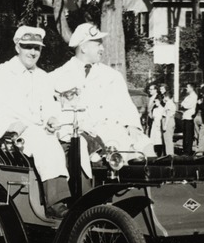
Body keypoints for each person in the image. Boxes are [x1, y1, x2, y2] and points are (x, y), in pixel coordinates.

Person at [0, 25, 70, 218]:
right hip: (15, 137)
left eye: (37, 48)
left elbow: (51, 106)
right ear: (17, 47)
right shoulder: (1, 74)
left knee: (77, 140)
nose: (33, 52)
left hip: (40, 132)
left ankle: (80, 198)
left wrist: (53, 117)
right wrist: (7, 126)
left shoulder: (43, 77)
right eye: (28, 47)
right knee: (45, 142)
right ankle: (55, 202)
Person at [50, 23, 154, 158]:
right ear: (84, 47)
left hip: (114, 131)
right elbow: (52, 113)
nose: (103, 48)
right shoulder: (57, 76)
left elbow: (126, 105)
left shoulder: (112, 76)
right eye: (98, 44)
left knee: (146, 147)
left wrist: (132, 125)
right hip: (81, 136)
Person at [151, 85, 176, 156]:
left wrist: (165, 125)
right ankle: (169, 154)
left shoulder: (169, 104)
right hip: (169, 120)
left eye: (164, 97)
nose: (164, 98)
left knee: (168, 139)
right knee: (167, 139)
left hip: (168, 121)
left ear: (167, 97)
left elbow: (168, 115)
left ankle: (170, 154)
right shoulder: (170, 103)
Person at [180, 82, 198, 155]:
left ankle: (188, 151)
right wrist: (184, 105)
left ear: (191, 88)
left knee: (188, 136)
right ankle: (185, 150)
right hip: (185, 117)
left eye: (187, 87)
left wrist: (184, 105)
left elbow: (187, 105)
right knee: (185, 135)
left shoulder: (194, 96)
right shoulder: (188, 96)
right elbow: (182, 104)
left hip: (189, 118)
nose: (186, 89)